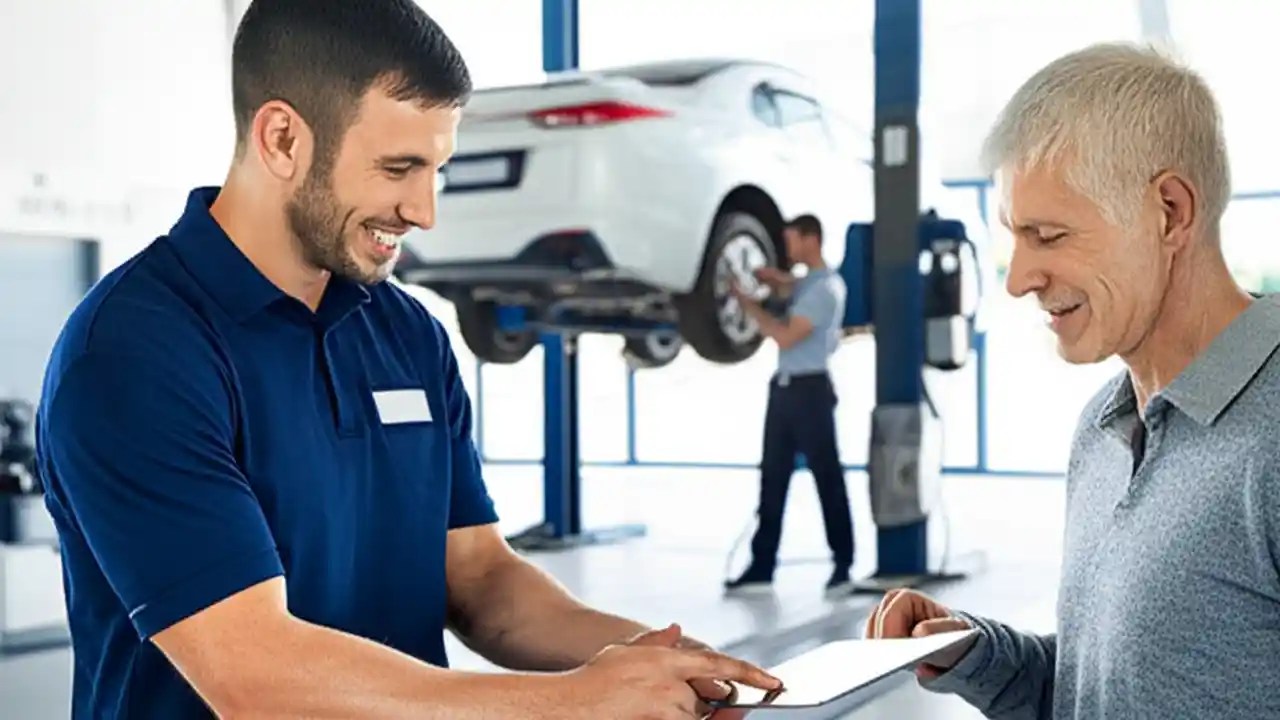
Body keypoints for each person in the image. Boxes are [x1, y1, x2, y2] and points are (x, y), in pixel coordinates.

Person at [33, 1, 781, 718]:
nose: (424, 210)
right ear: (283, 140)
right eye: (398, 169)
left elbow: (482, 580)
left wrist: (663, 664)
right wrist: (576, 703)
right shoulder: (133, 353)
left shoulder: (408, 334)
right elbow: (255, 678)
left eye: (439, 170)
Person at [864, 42, 1280, 719]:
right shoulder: (1104, 428)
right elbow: (1104, 691)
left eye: (1049, 236)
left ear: (1170, 211)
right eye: (1015, 237)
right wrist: (981, 656)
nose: (1018, 278)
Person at [722, 214, 855, 598]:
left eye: (792, 240)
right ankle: (762, 565)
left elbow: (784, 336)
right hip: (784, 390)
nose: (787, 248)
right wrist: (773, 280)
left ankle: (843, 563)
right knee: (772, 478)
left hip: (809, 392)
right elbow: (792, 284)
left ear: (811, 240)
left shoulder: (824, 290)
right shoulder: (810, 283)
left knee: (826, 479)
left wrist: (748, 304)